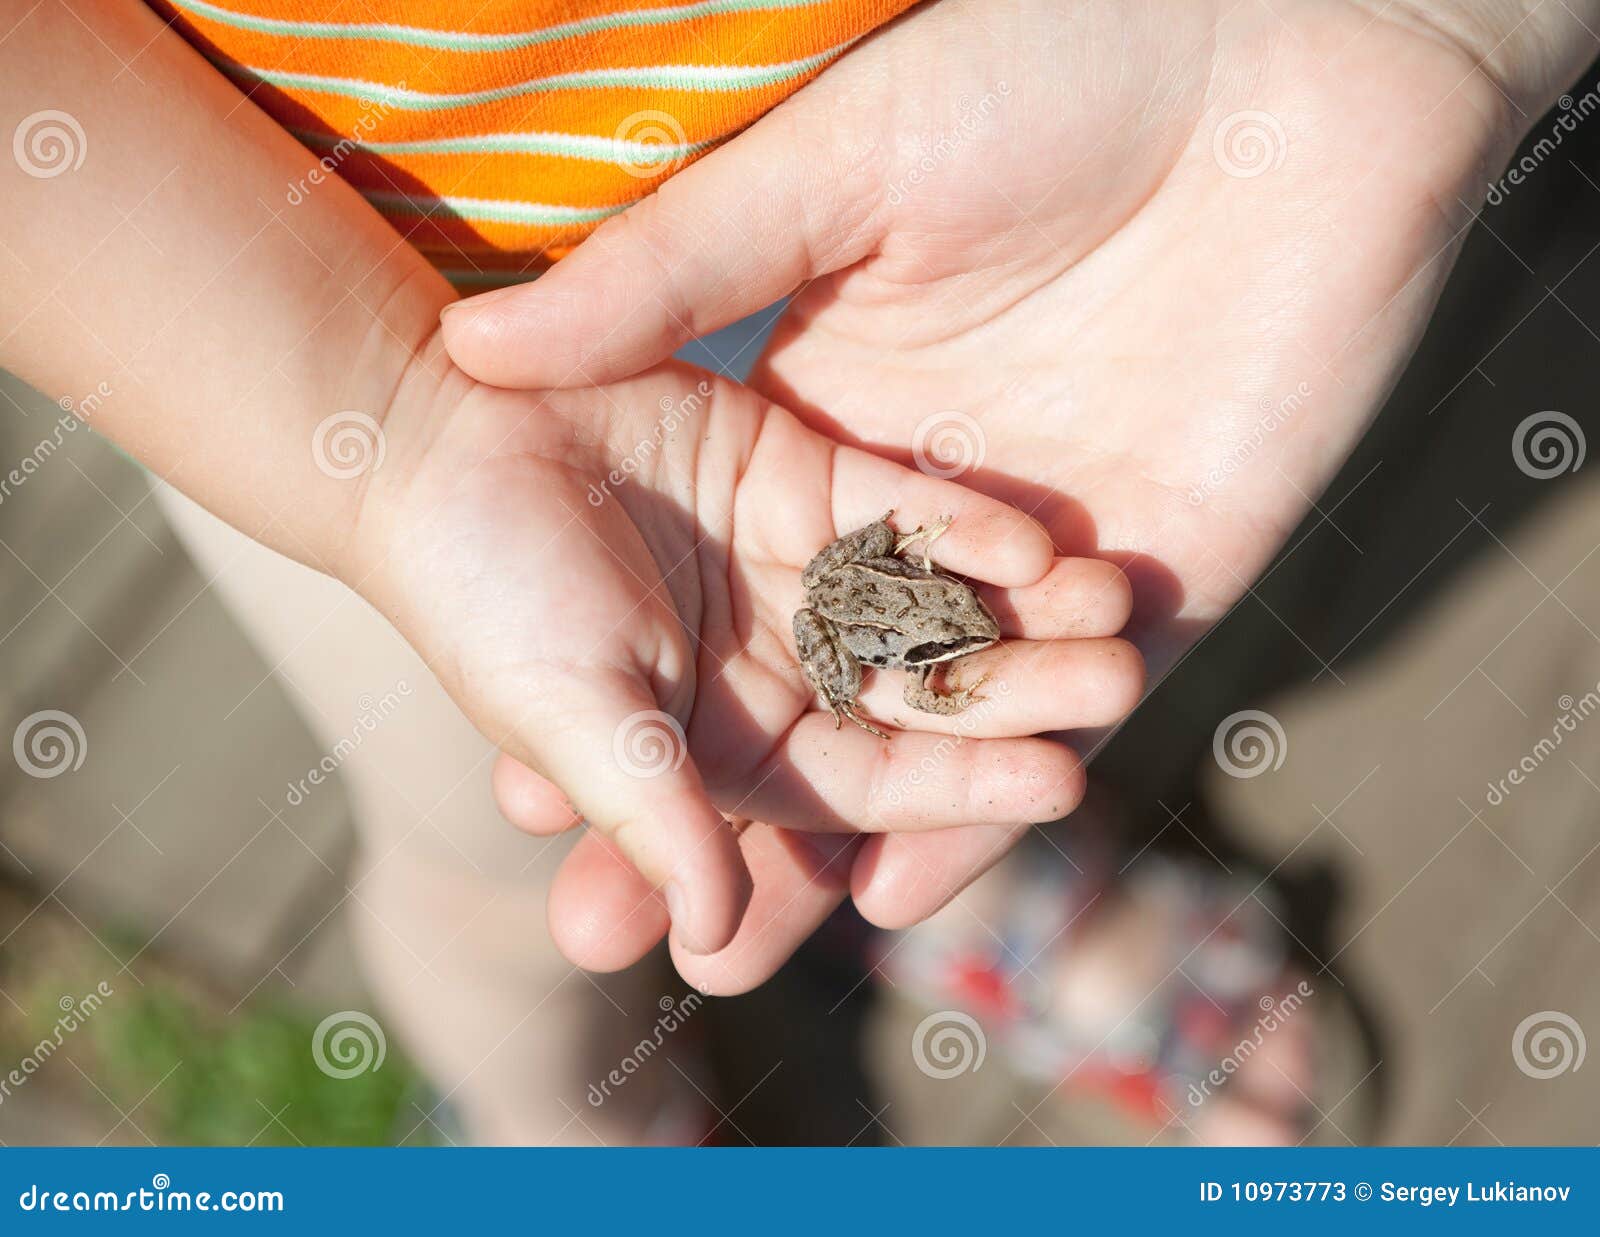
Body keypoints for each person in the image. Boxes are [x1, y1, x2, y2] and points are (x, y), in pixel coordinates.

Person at [2, 0, 1142, 1142]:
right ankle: (579, 1127)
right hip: (314, 330)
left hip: (887, 186)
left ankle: (954, 880)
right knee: (505, 873)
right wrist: (394, 433)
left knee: (900, 764)